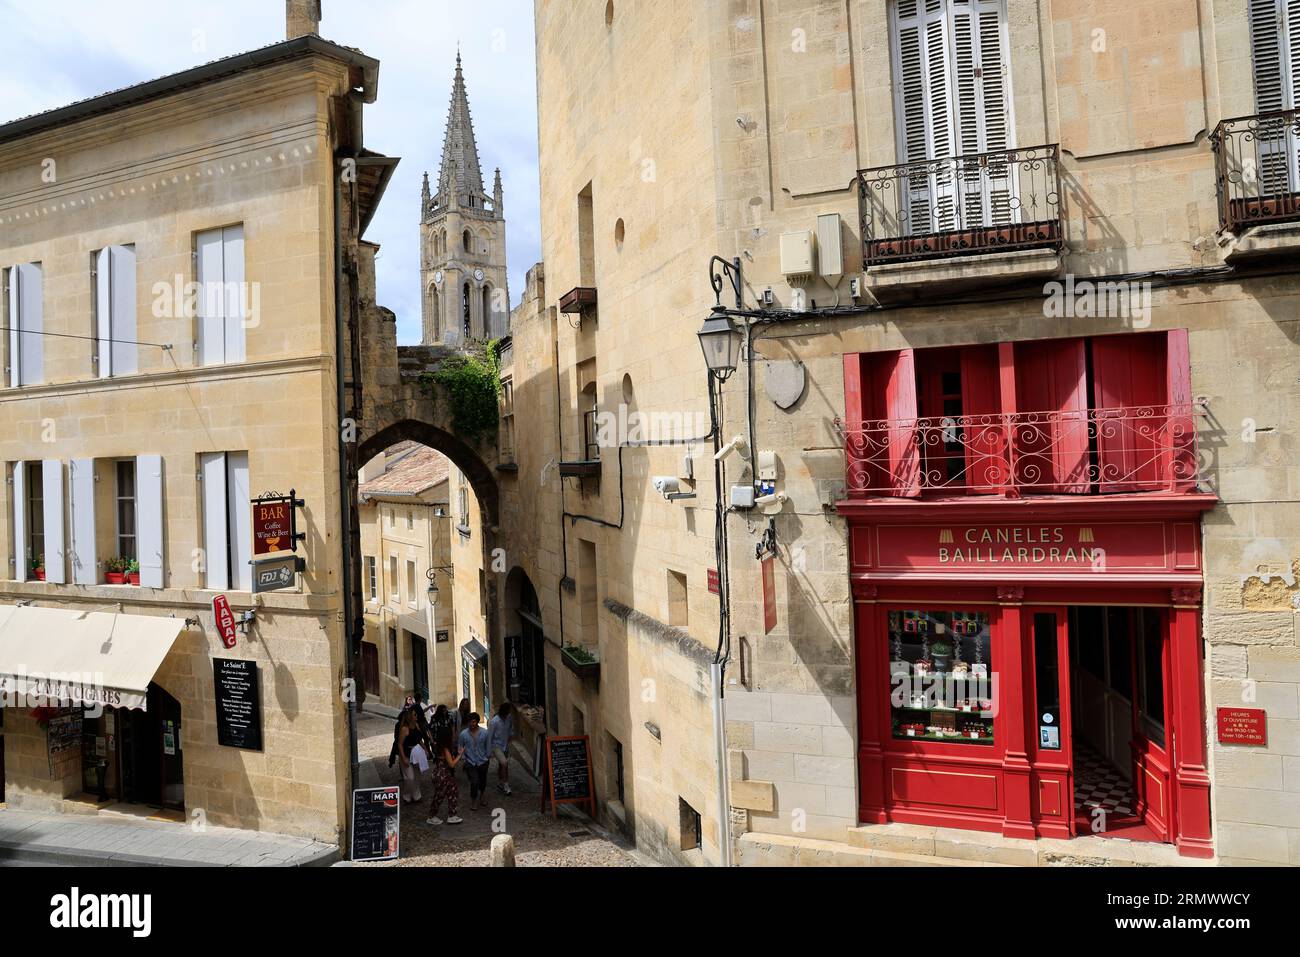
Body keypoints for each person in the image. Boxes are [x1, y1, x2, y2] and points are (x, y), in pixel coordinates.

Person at [426, 724, 464, 826]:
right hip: (443, 775)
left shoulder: (437, 745)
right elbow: (452, 764)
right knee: (440, 796)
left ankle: (452, 815)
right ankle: (432, 816)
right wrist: (460, 755)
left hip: (440, 773)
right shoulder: (445, 749)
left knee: (452, 790)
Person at [457, 712, 492, 811]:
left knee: (482, 780)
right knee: (474, 781)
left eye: (473, 722)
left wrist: (487, 757)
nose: (471, 724)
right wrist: (463, 758)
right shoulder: (463, 734)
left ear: (477, 722)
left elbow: (488, 746)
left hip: (483, 761)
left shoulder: (484, 733)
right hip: (470, 762)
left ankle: (482, 794)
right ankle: (474, 800)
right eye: (470, 722)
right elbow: (460, 747)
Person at [397, 709, 424, 804]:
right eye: (414, 714)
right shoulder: (404, 729)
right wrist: (403, 758)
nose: (416, 716)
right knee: (409, 777)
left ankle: (416, 796)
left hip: (417, 755)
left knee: (417, 776)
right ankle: (407, 796)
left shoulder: (416, 726)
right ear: (410, 717)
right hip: (407, 755)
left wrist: (425, 749)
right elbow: (399, 744)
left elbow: (419, 740)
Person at [488, 702, 514, 796]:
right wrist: (489, 751)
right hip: (496, 746)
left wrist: (510, 735)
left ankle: (500, 782)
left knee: (501, 765)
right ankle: (506, 785)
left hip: (505, 745)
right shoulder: (494, 722)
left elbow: (510, 728)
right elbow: (489, 737)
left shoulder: (509, 718)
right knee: (504, 763)